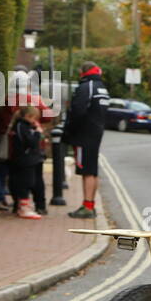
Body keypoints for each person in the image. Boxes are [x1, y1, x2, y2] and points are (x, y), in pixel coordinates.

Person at [62, 62, 110, 219]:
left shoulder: (86, 86)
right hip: (96, 132)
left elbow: (77, 111)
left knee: (87, 172)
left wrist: (69, 131)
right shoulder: (101, 87)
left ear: (83, 71)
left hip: (84, 134)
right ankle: (90, 205)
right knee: (92, 171)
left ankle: (87, 206)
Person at [8, 104, 46, 220]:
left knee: (26, 182)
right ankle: (24, 209)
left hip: (27, 159)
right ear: (29, 116)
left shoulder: (23, 126)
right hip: (25, 159)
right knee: (26, 183)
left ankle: (22, 206)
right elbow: (31, 142)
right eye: (35, 118)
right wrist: (38, 132)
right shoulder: (22, 126)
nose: (36, 121)